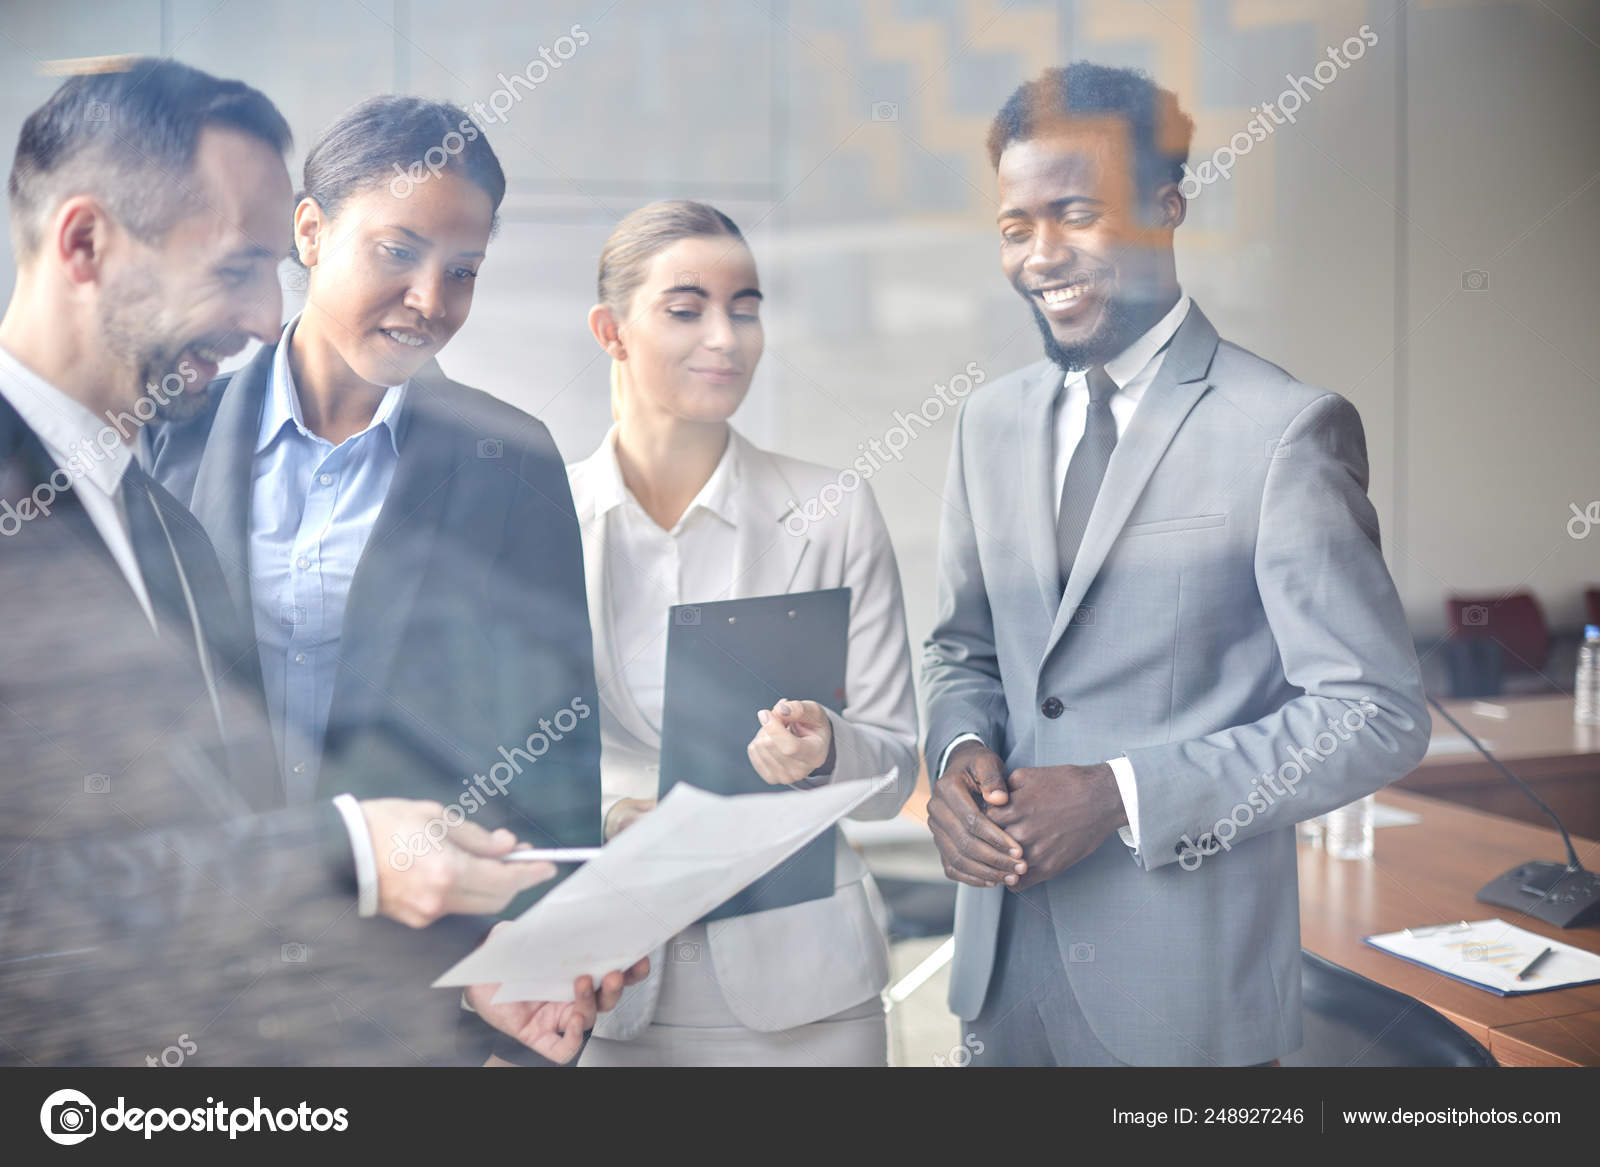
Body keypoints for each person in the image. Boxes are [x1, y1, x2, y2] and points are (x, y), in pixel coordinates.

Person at [0, 58, 637, 1067]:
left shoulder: (146, 511)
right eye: (235, 269)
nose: (263, 318)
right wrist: (342, 860)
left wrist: (526, 954)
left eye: (463, 269)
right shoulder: (163, 455)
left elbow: (548, 744)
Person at [921, 63, 1431, 1066]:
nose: (1039, 256)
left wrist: (1119, 793)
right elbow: (962, 649)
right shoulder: (987, 422)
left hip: (1183, 1004)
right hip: (1001, 976)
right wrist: (955, 760)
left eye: (1074, 213)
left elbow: (1374, 712)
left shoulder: (1282, 430)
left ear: (1164, 207)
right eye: (1014, 226)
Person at [567, 200, 918, 1066]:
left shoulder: (833, 511)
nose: (726, 337)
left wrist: (828, 749)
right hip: (610, 985)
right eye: (686, 309)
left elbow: (895, 768)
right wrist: (610, 810)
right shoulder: (545, 517)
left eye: (746, 307)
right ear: (611, 330)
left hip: (810, 999)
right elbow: (491, 762)